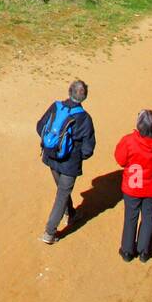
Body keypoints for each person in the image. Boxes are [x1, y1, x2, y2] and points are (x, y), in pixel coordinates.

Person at [36, 79, 96, 244]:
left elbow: (40, 126)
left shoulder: (55, 107)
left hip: (51, 157)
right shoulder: (85, 118)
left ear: (69, 92)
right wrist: (78, 156)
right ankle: (49, 232)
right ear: (85, 97)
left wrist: (51, 144)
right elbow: (88, 148)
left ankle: (72, 213)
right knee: (62, 194)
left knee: (62, 190)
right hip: (70, 163)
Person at [115, 109, 152, 263]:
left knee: (130, 218)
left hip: (132, 188)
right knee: (148, 218)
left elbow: (120, 160)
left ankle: (127, 251)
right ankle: (143, 252)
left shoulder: (129, 141)